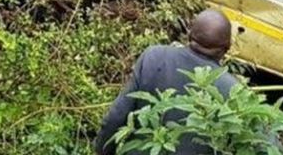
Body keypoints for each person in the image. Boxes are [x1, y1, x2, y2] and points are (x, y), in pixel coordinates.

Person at [95, 10, 245, 155]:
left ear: (189, 34)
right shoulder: (232, 89)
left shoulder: (154, 57)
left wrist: (101, 150)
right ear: (227, 48)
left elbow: (116, 117)